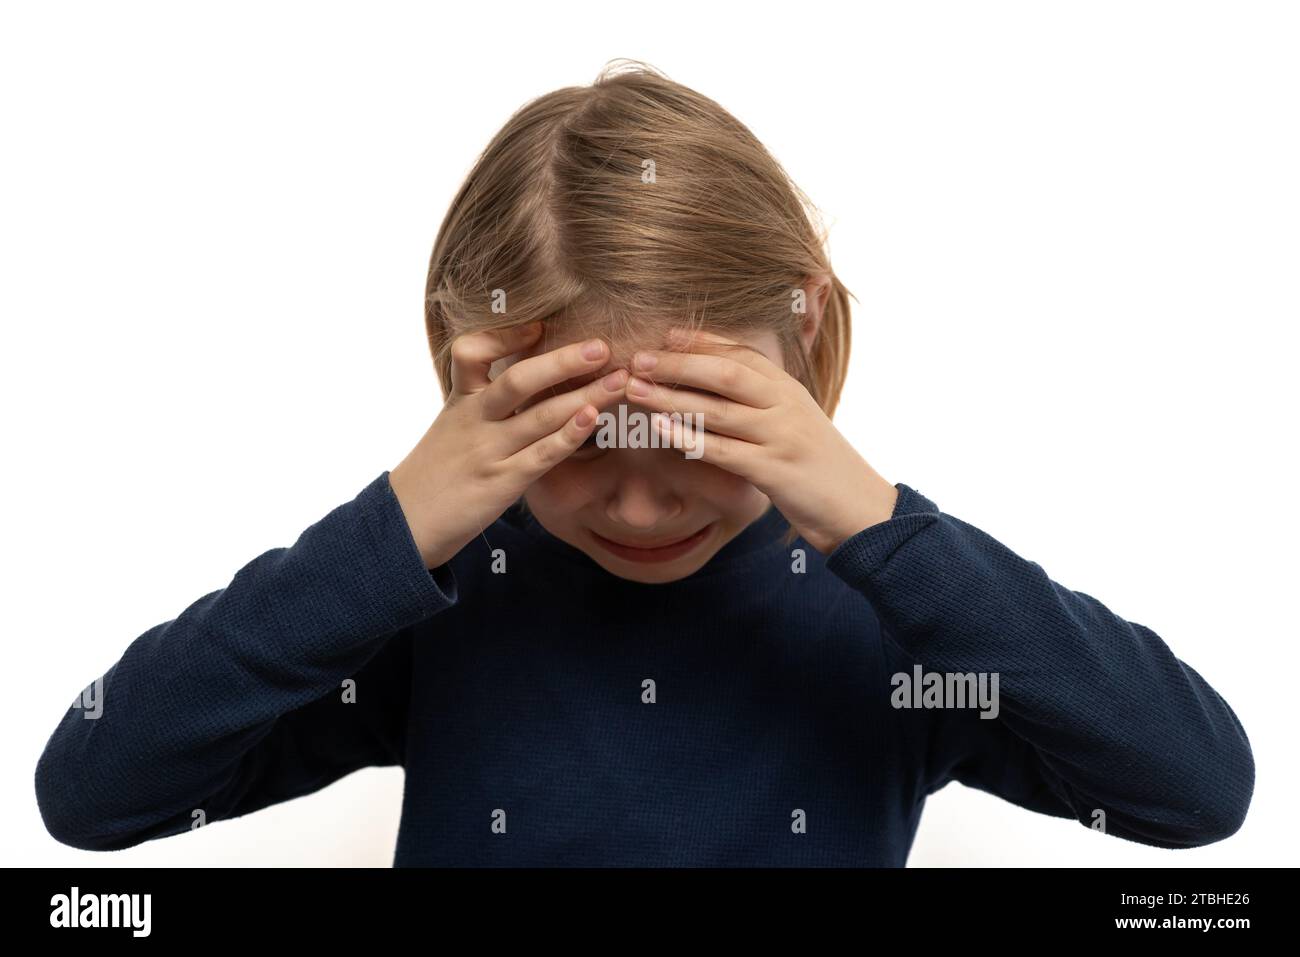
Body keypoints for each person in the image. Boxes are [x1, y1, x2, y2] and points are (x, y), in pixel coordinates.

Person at [35, 62, 1254, 866]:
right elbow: (94, 792)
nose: (634, 501)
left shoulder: (889, 611)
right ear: (477, 388)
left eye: (696, 432)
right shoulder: (435, 592)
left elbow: (1196, 789)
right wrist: (394, 530)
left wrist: (886, 531)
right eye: (573, 441)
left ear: (804, 333)